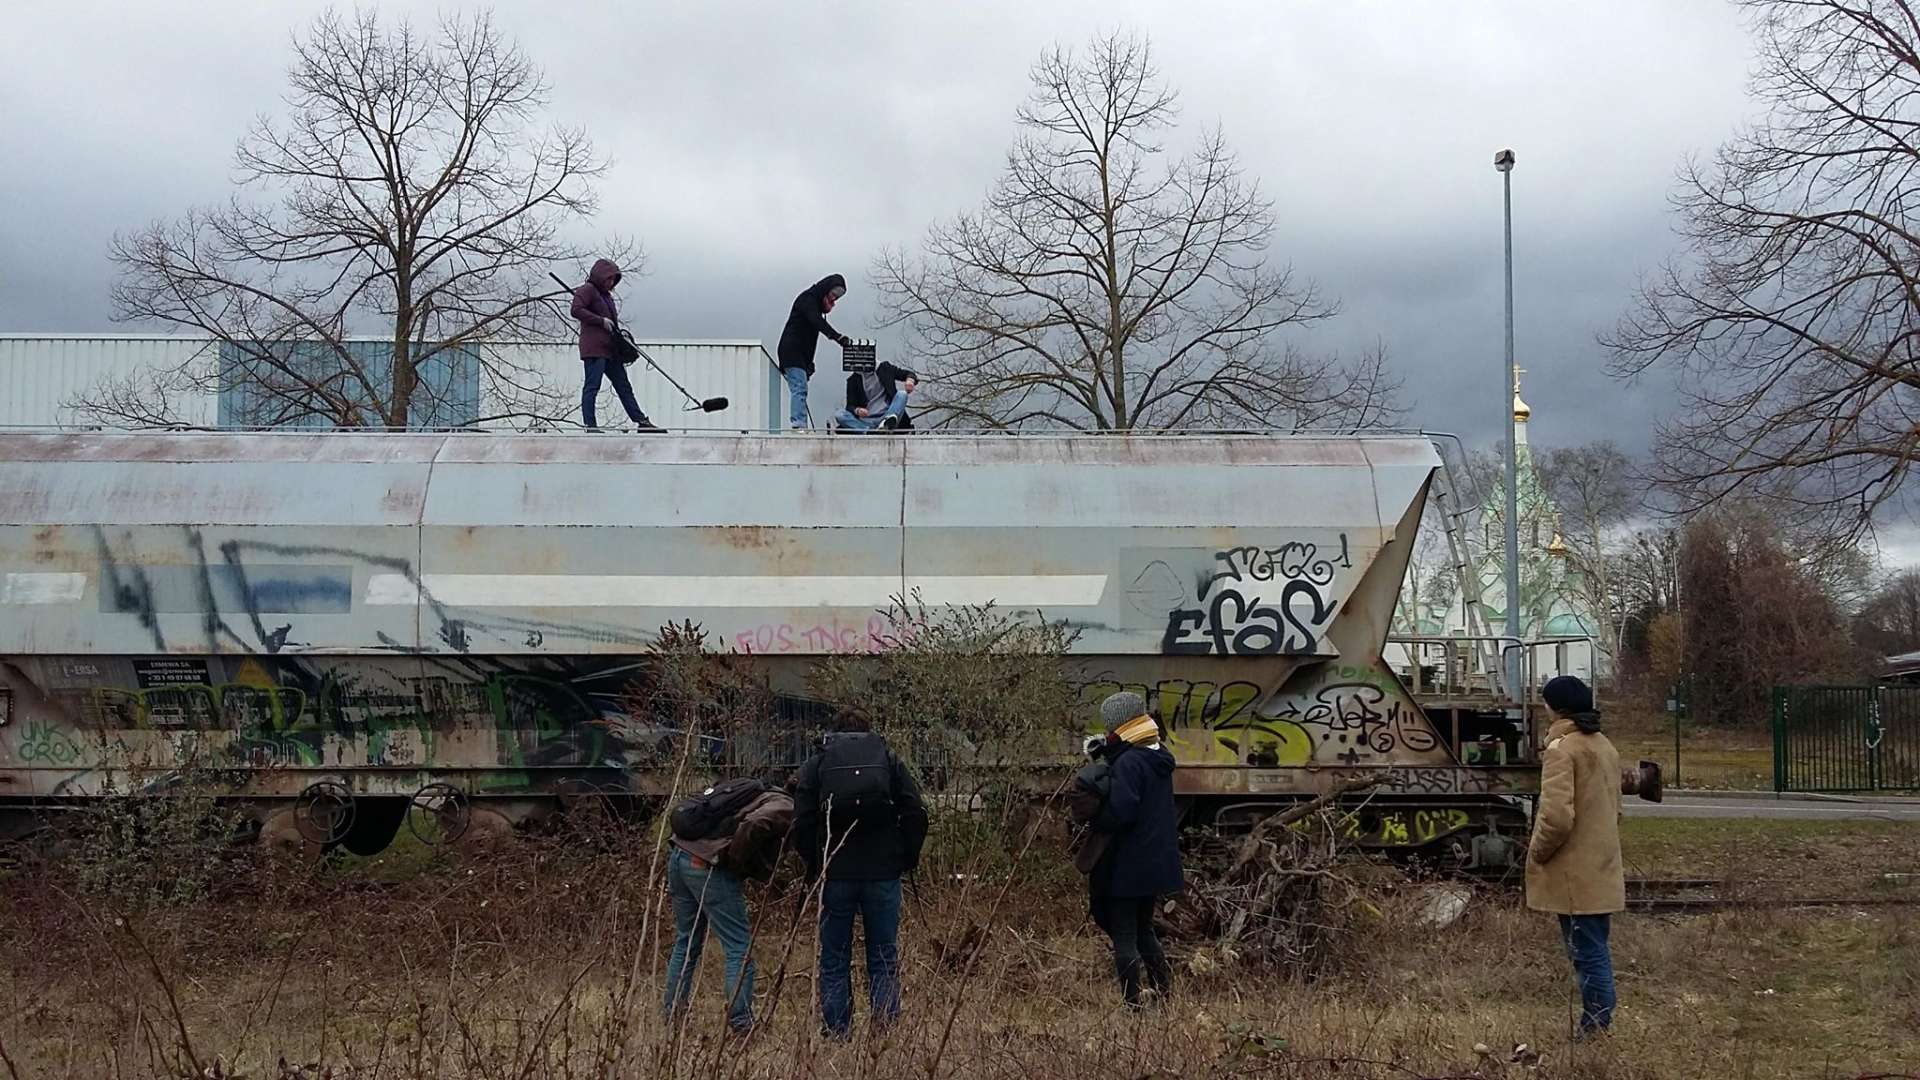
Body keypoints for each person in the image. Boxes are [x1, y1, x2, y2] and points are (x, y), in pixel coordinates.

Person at [792, 711, 928, 1038]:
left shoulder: (818, 764)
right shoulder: (887, 760)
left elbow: (801, 822)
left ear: (834, 732)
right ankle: (884, 1033)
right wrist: (904, 858)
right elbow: (916, 812)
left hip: (835, 874)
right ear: (869, 732)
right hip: (882, 873)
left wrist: (816, 861)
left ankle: (837, 1033)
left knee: (834, 958)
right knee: (883, 956)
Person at [1526, 675, 1625, 1040]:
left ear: (1554, 708)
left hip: (1573, 871)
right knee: (1593, 945)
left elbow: (1556, 817)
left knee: (1586, 951)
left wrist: (1536, 852)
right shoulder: (1603, 746)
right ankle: (1596, 1022)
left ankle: (1595, 1026)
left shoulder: (1560, 750)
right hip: (1600, 864)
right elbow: (1614, 807)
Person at [662, 778, 796, 1036]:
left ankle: (672, 1018)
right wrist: (735, 863)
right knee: (739, 947)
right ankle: (741, 1023)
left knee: (686, 942)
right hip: (707, 865)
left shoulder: (762, 790)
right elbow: (754, 824)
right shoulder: (784, 805)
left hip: (680, 854)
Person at [1086, 691, 1184, 1007]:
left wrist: (1095, 817)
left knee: (1124, 934)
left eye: (1110, 725)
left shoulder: (1129, 763)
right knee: (1144, 931)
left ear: (1120, 725)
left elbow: (1122, 812)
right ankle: (1164, 997)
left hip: (1128, 862)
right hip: (1153, 862)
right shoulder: (1157, 754)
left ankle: (1133, 1005)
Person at [570, 258, 657, 432]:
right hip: (594, 348)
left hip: (610, 349)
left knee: (623, 386)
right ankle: (590, 425)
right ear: (600, 276)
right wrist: (600, 321)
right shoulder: (588, 290)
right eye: (608, 278)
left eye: (613, 280)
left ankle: (641, 421)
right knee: (592, 385)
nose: (611, 283)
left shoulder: (606, 296)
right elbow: (576, 310)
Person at [776, 274, 850, 431]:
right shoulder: (807, 300)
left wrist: (809, 364)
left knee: (801, 387)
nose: (832, 302)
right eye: (831, 297)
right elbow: (817, 321)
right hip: (791, 352)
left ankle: (800, 423)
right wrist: (837, 337)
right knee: (799, 387)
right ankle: (798, 424)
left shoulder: (815, 307)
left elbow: (810, 341)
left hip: (800, 355)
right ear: (825, 290)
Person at [836, 362, 917, 433]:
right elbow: (850, 406)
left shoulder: (884, 368)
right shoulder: (854, 379)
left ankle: (887, 423)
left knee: (902, 394)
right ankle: (867, 431)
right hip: (866, 421)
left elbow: (907, 374)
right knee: (840, 415)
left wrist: (910, 381)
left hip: (886, 415)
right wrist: (857, 410)